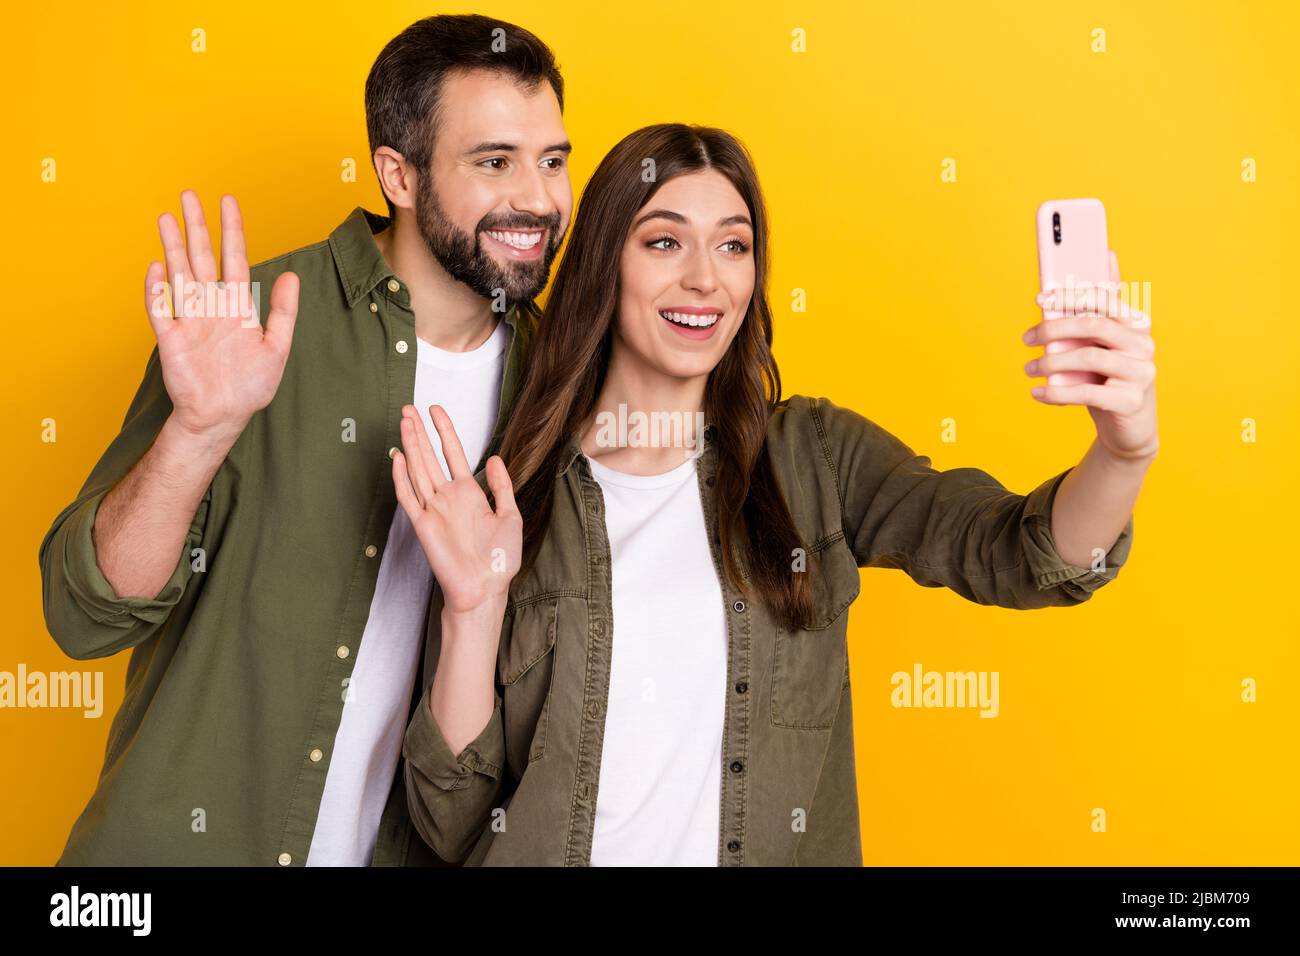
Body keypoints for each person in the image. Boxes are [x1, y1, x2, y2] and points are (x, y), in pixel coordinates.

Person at [395, 123, 1157, 866]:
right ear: (604, 264)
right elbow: (454, 817)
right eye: (664, 242)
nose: (705, 278)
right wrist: (472, 609)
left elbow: (1018, 555)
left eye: (734, 244)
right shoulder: (512, 488)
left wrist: (1123, 453)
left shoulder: (814, 456)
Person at [38, 14, 572, 866]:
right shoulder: (248, 323)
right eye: (494, 161)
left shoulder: (561, 384)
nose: (539, 200)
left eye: (552, 160)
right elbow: (83, 618)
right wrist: (197, 432)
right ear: (398, 173)